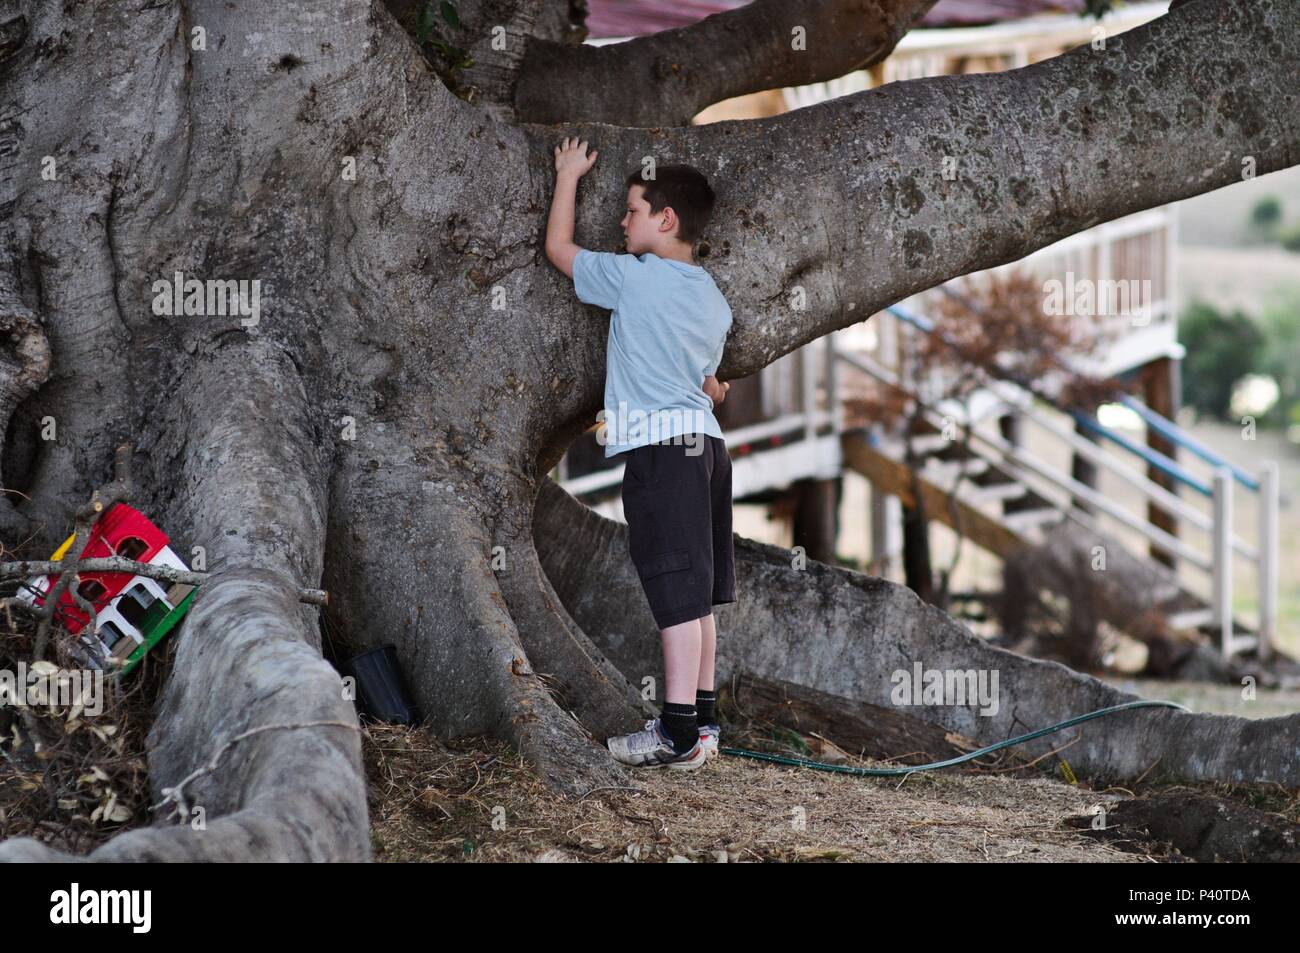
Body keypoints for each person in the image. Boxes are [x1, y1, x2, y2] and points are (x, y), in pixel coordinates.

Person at [545, 136, 735, 770]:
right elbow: (709, 384)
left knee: (677, 597)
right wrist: (710, 387)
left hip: (663, 455)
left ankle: (676, 732)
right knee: (698, 595)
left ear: (666, 219)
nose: (622, 222)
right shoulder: (713, 300)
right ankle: (703, 725)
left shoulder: (633, 278)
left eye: (632, 211)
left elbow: (559, 252)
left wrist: (569, 175)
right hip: (707, 448)